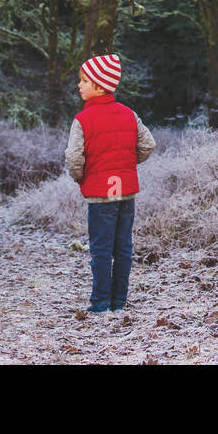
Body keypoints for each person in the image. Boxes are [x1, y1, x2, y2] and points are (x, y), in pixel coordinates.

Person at [64, 54, 156, 313]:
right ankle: (119, 302)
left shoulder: (82, 120)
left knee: (101, 250)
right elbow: (148, 144)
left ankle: (100, 303)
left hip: (100, 196)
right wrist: (127, 165)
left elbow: (73, 157)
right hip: (125, 193)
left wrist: (81, 176)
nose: (79, 85)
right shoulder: (129, 114)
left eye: (84, 81)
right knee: (123, 248)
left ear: (100, 85)